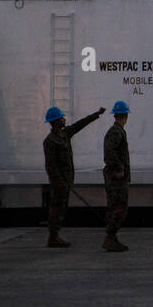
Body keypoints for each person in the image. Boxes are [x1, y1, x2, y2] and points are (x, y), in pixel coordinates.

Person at [42, 105, 106, 247]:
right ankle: (53, 237)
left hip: (66, 181)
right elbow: (51, 166)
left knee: (62, 209)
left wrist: (97, 114)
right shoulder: (50, 141)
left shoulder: (65, 134)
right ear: (56, 121)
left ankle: (55, 235)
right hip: (59, 183)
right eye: (62, 117)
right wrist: (59, 183)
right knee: (56, 209)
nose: (64, 119)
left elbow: (80, 124)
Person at [102, 100, 132, 252]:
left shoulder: (117, 130)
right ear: (125, 116)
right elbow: (110, 152)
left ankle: (111, 238)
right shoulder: (116, 131)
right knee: (119, 207)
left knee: (116, 206)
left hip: (116, 177)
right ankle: (110, 237)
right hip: (116, 178)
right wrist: (119, 169)